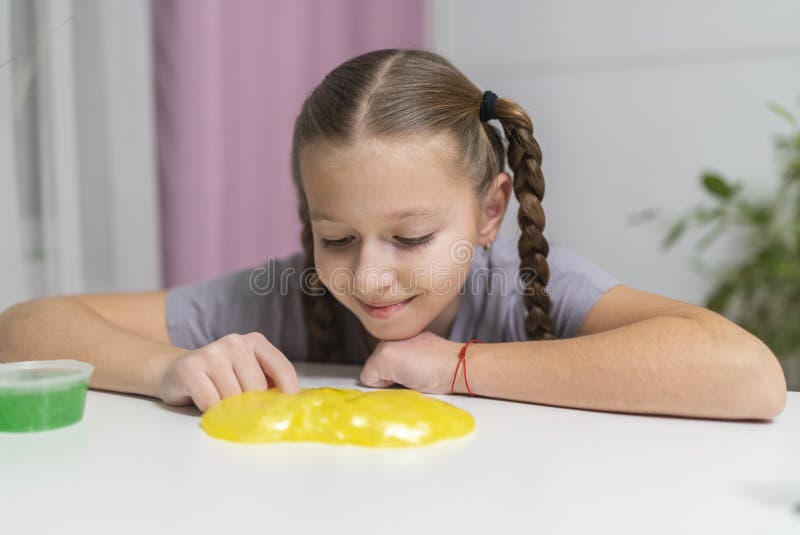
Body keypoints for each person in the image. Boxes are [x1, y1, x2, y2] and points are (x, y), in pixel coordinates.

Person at [0, 49, 786, 420]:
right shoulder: (286, 294)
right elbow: (25, 330)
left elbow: (746, 374)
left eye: (410, 237)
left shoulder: (520, 291)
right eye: (336, 236)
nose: (369, 276)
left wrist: (462, 365)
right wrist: (171, 366)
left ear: (490, 211)